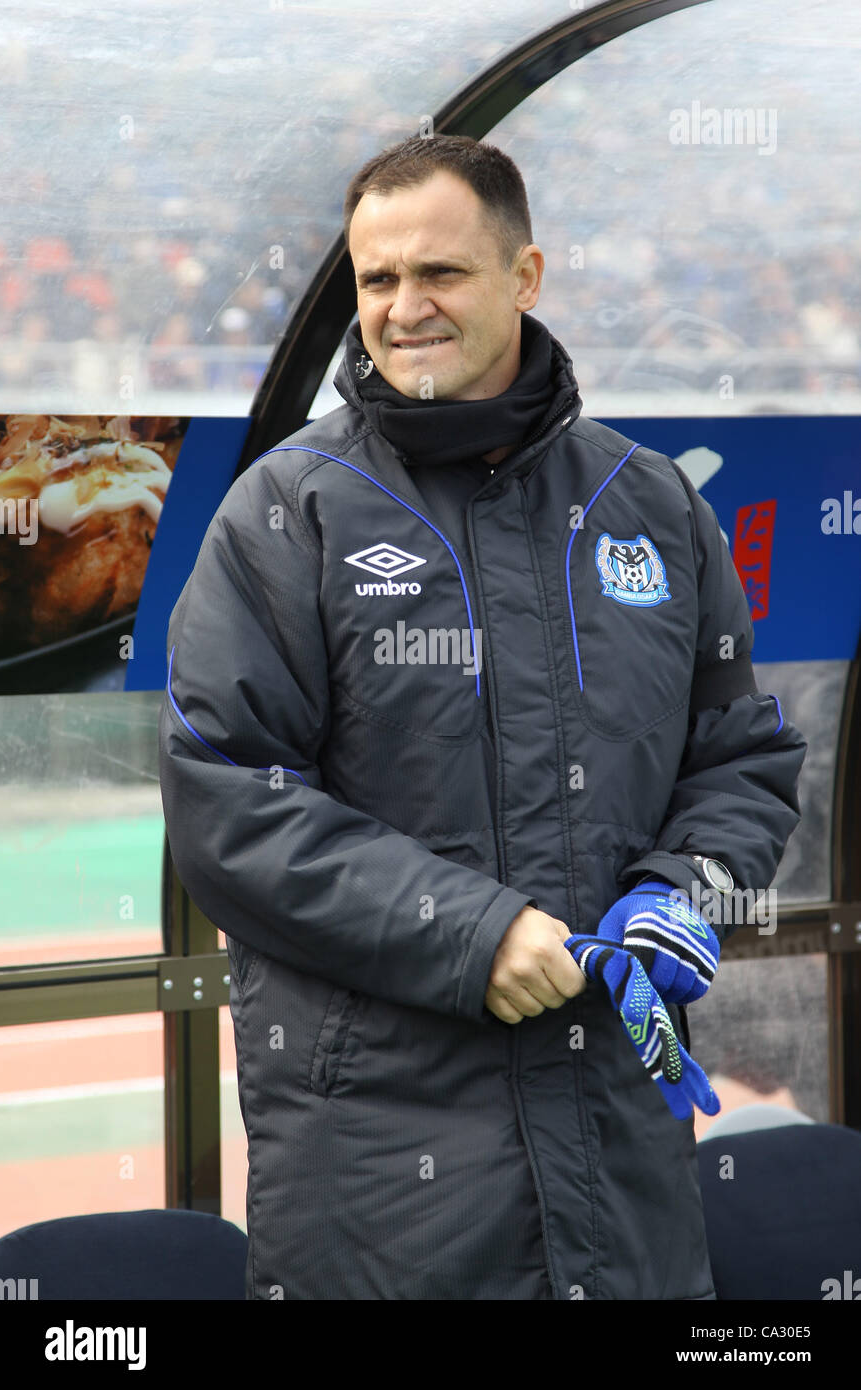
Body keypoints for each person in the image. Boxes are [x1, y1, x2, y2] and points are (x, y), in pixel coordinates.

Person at [157, 134, 806, 1300]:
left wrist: (680, 890)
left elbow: (740, 756)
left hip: (621, 1168)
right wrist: (471, 935)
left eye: (439, 274)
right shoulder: (284, 510)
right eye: (375, 280)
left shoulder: (648, 502)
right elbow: (227, 797)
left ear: (525, 276)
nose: (403, 308)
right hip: (380, 1199)